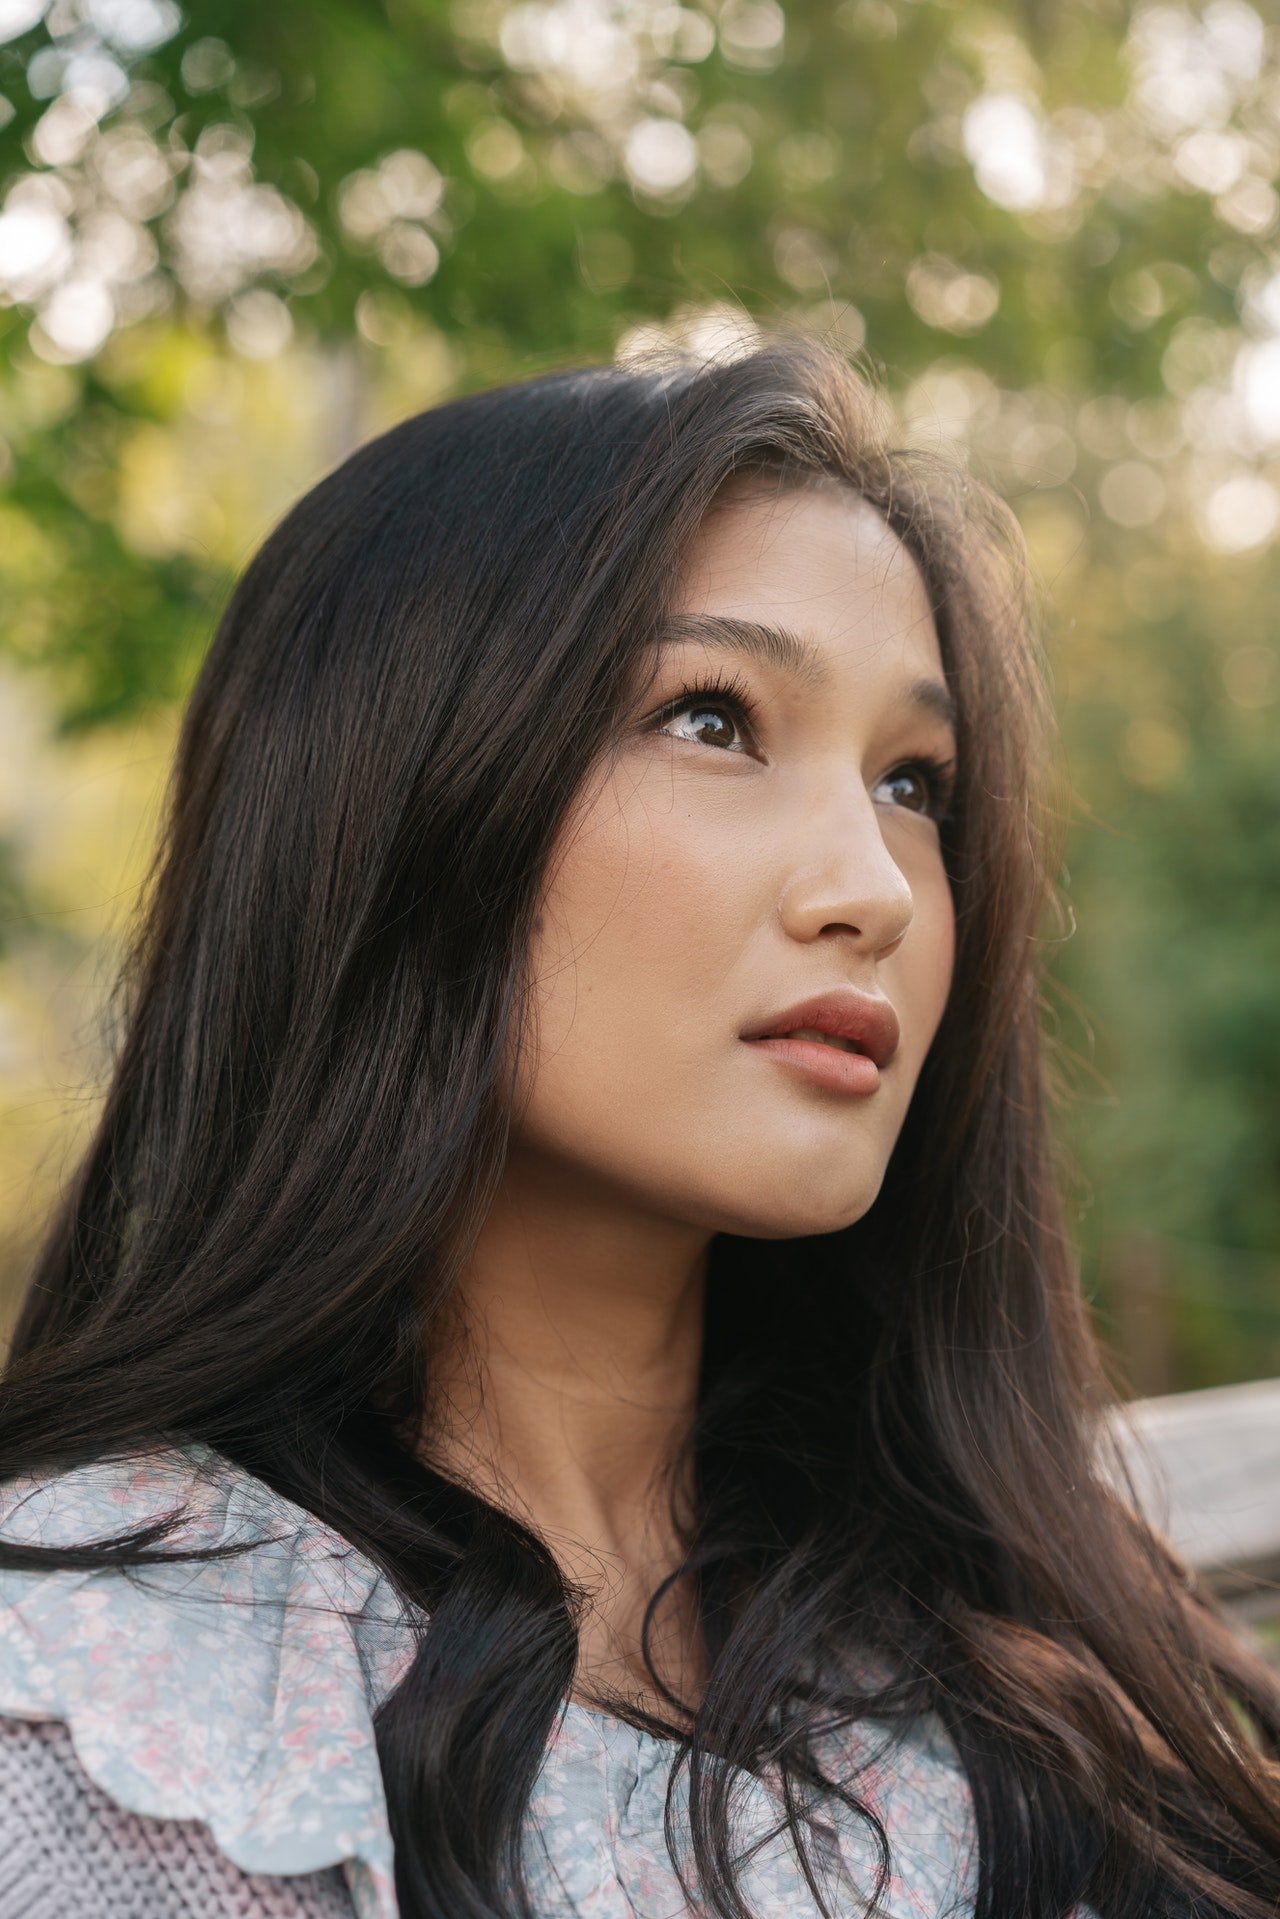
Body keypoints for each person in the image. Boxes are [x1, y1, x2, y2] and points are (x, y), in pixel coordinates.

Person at [0, 331, 1275, 1919]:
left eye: (915, 783)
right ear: (394, 800)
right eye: (715, 719)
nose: (874, 890)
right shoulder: (106, 1714)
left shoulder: (1015, 1645)